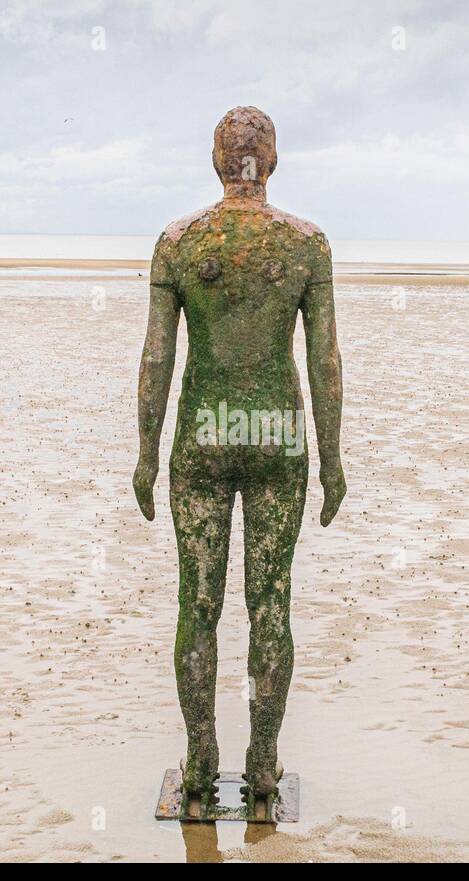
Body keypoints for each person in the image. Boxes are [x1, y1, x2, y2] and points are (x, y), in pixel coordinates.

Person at [132, 106, 346, 817]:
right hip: (277, 436)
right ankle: (261, 766)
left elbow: (157, 358)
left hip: (203, 435)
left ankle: (200, 762)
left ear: (217, 161)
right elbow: (325, 362)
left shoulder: (178, 242)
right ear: (271, 160)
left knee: (197, 603)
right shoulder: (306, 245)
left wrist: (146, 453)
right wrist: (331, 459)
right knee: (270, 603)